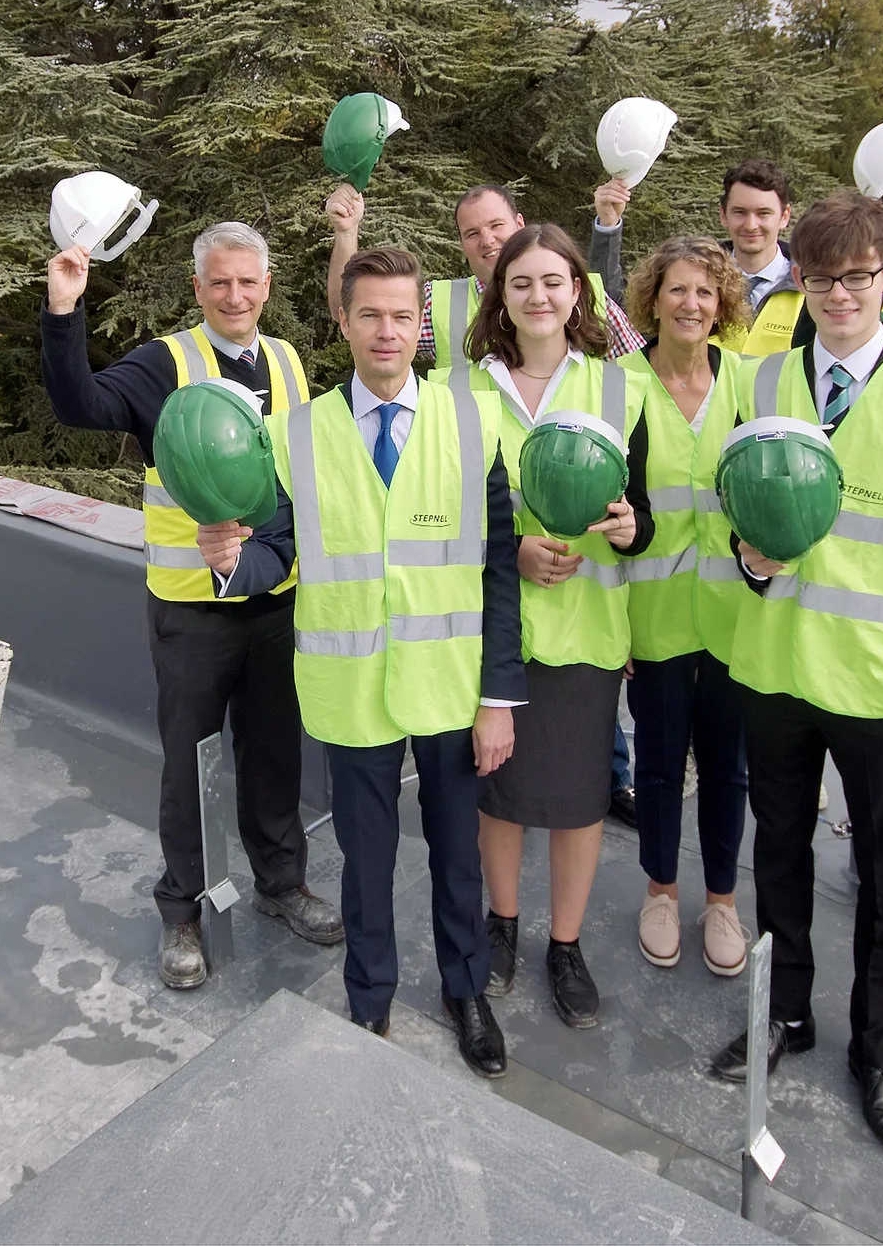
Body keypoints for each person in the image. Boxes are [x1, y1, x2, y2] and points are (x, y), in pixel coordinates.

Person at [704, 189, 883, 1158]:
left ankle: (875, 1048)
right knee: (777, 852)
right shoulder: (756, 382)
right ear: (797, 278)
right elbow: (723, 511)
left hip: (879, 686)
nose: (838, 293)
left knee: (880, 877)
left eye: (856, 275)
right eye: (819, 275)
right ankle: (785, 1014)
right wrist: (748, 560)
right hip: (778, 667)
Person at [199, 246, 526, 1077]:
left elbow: (497, 568)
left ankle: (466, 991)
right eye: (368, 314)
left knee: (457, 854)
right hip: (350, 691)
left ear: (422, 322)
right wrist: (231, 561)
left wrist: (499, 697)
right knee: (365, 855)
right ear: (341, 320)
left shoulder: (474, 419)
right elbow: (277, 550)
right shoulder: (294, 433)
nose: (387, 331)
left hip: (452, 688)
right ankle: (369, 992)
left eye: (402, 315)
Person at [43, 222, 344, 988]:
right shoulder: (164, 363)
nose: (235, 295)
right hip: (191, 610)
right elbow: (79, 405)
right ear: (198, 288)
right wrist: (64, 308)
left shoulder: (286, 359)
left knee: (275, 753)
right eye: (220, 282)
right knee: (190, 762)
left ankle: (281, 887)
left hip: (274, 598)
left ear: (267, 286)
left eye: (248, 281)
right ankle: (181, 911)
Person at [465, 224, 656, 1028]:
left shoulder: (621, 391)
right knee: (500, 792)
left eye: (554, 281)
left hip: (584, 630)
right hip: (496, 635)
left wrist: (623, 532)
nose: (539, 296)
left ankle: (565, 945)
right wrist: (515, 548)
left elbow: (643, 517)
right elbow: (444, 519)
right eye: (521, 283)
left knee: (579, 801)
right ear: (499, 296)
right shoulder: (460, 393)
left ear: (580, 293)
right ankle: (502, 927)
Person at [619, 237, 758, 979]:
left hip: (736, 614)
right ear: (654, 297)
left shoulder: (751, 381)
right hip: (655, 614)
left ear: (723, 303)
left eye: (706, 292)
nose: (691, 304)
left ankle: (724, 900)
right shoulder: (621, 384)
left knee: (729, 767)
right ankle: (661, 891)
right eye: (677, 290)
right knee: (661, 764)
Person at [327, 179, 645, 369]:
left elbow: (645, 377)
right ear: (462, 244)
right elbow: (352, 309)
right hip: (479, 479)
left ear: (520, 225)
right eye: (473, 233)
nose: (488, 241)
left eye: (496, 226)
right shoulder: (438, 304)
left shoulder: (585, 295)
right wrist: (346, 232)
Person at [592, 157, 803, 355]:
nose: (751, 224)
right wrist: (608, 224)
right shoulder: (691, 271)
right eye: (740, 212)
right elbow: (611, 302)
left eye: (763, 213)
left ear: (784, 217)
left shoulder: (808, 287)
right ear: (723, 214)